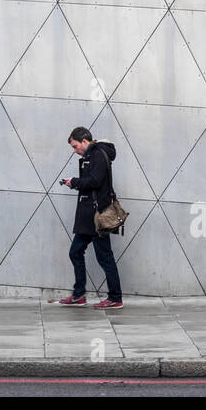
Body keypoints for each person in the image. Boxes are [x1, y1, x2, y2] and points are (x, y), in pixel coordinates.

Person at [56, 126, 123, 309]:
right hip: (88, 217)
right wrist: (74, 183)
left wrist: (75, 182)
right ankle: (79, 295)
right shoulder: (92, 155)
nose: (74, 151)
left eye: (75, 146)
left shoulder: (98, 155)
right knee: (75, 252)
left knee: (105, 257)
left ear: (84, 141)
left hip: (97, 216)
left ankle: (115, 298)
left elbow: (95, 181)